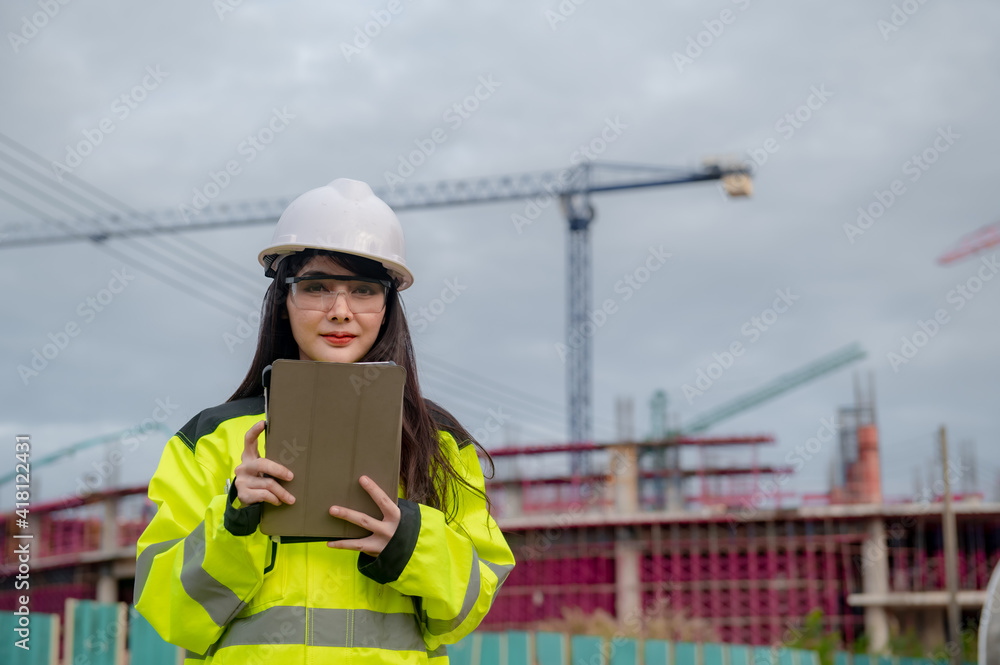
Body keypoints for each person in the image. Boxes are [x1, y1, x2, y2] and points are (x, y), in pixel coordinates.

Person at [134, 178, 515, 664]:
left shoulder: (437, 442)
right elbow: (169, 611)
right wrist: (234, 524)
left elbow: (467, 611)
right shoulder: (209, 441)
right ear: (284, 300)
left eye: (363, 290)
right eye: (316, 288)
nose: (340, 312)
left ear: (387, 306)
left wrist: (410, 543)